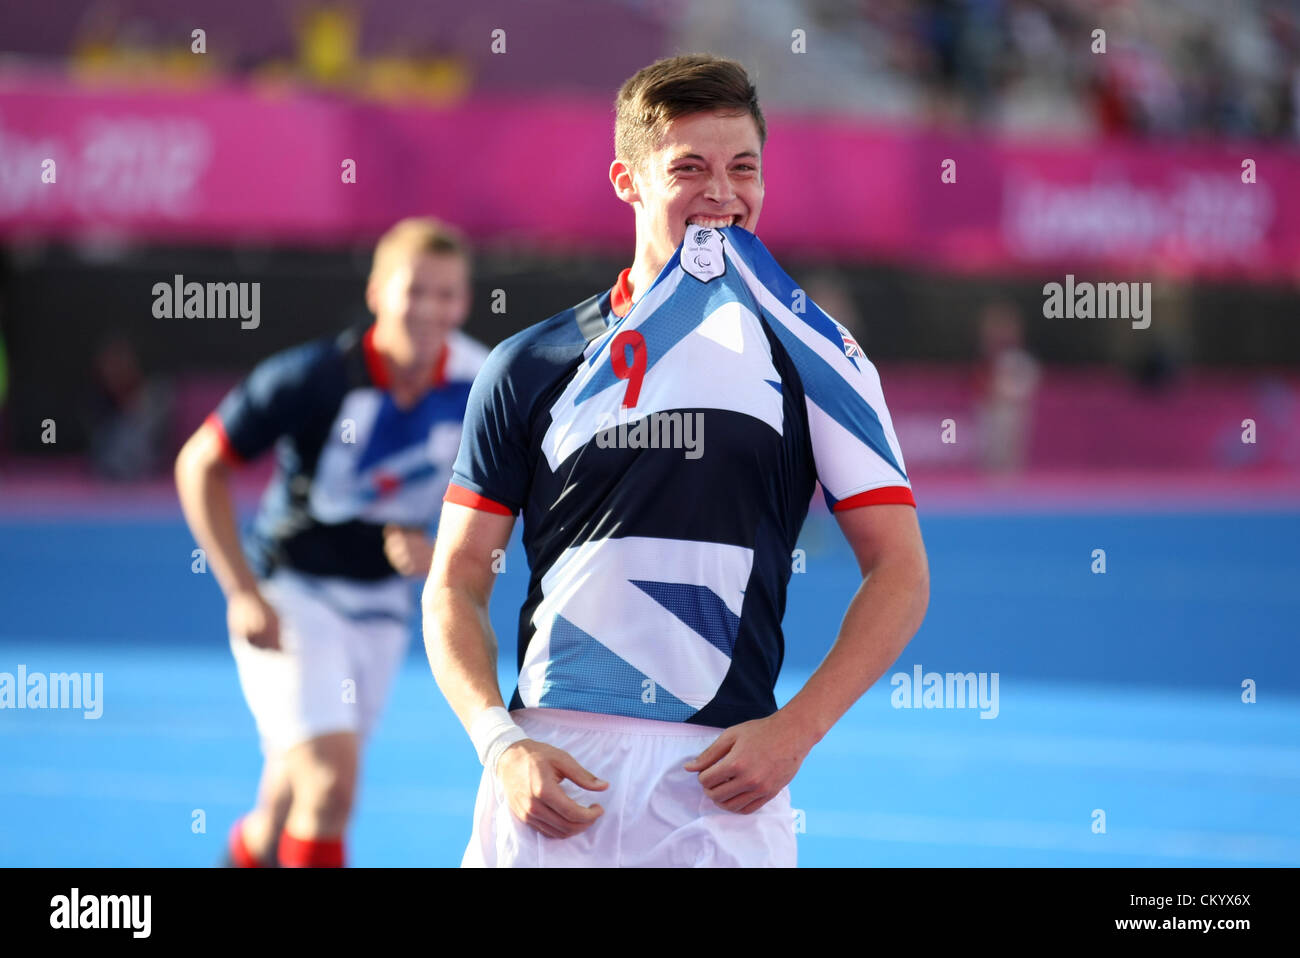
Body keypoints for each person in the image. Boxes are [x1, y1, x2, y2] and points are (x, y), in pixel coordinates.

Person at [422, 55, 930, 868]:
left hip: (722, 781)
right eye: (688, 167)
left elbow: (900, 571)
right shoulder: (530, 363)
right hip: (549, 772)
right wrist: (499, 744)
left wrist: (795, 732)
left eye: (743, 168)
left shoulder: (820, 358)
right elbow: (455, 580)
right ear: (627, 180)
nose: (721, 193)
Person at [176, 217, 488, 867]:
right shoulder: (313, 376)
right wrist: (240, 591)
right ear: (377, 291)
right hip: (293, 594)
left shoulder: (483, 382)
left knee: (288, 806)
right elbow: (200, 463)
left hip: (384, 609)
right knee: (332, 785)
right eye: (415, 290)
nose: (431, 309)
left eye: (448, 294)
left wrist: (444, 558)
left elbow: (505, 504)